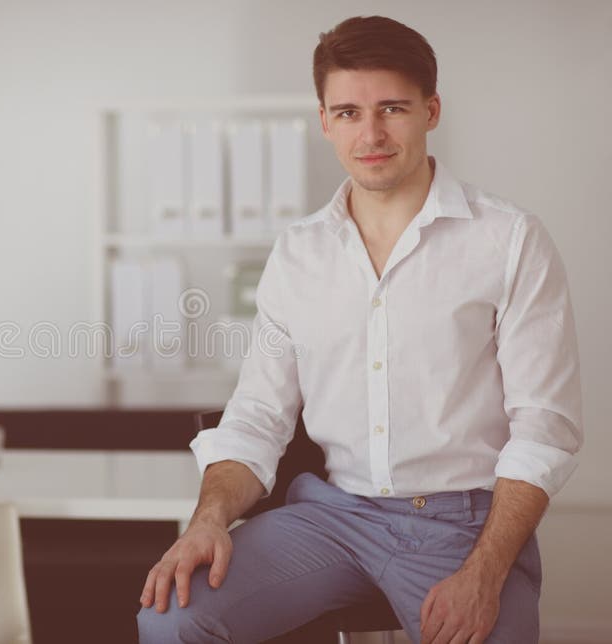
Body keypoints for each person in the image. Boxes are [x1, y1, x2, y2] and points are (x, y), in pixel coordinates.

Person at [137, 14, 583, 644]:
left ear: (431, 111)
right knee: (172, 617)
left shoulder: (509, 241)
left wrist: (486, 570)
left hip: (461, 523)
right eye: (348, 113)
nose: (370, 134)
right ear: (325, 121)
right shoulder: (298, 253)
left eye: (392, 109)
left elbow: (544, 426)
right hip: (332, 517)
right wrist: (207, 520)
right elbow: (257, 416)